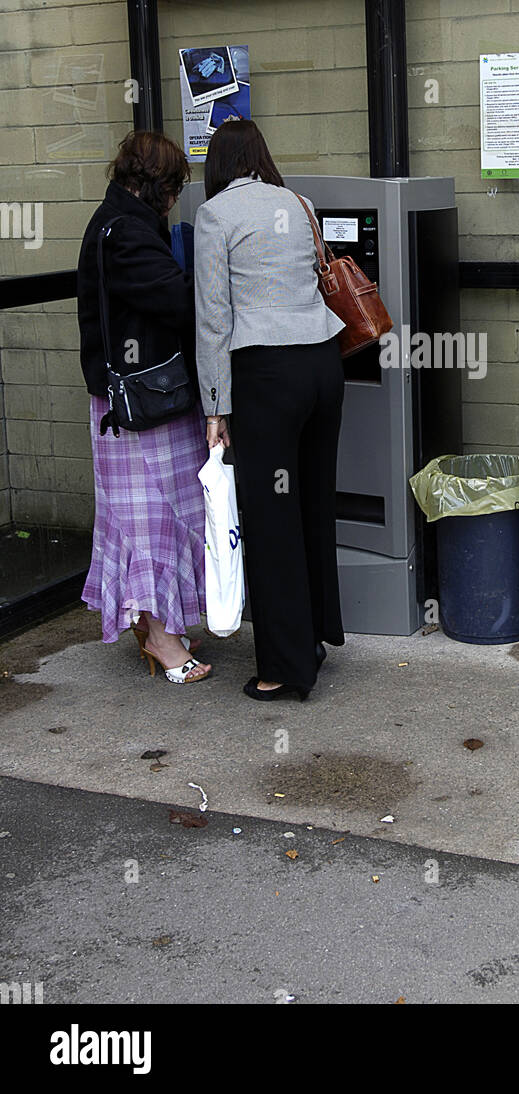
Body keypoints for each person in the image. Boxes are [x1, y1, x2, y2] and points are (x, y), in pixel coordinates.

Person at [194, 118, 345, 701]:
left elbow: (213, 318)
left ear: (219, 164)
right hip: (322, 366)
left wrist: (215, 405)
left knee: (271, 520)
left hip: (266, 375)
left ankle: (283, 668)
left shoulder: (216, 215)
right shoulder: (299, 202)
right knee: (311, 504)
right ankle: (313, 636)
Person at [77, 130, 212, 684]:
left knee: (168, 517)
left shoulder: (120, 223)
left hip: (143, 401)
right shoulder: (127, 234)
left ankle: (162, 625)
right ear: (154, 185)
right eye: (175, 186)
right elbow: (177, 301)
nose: (177, 197)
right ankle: (158, 637)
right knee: (153, 519)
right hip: (139, 408)